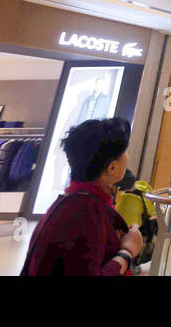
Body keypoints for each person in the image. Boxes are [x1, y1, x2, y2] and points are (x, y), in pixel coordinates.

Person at [22, 118, 141, 275]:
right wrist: (127, 251)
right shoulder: (86, 211)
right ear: (112, 168)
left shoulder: (75, 200)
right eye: (125, 151)